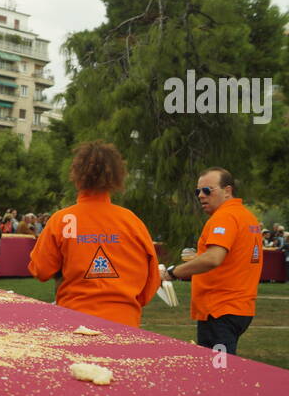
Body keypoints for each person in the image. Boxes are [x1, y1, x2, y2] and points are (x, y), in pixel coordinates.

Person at [27, 142, 159, 328]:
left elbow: (40, 270)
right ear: (117, 175)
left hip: (75, 322)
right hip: (125, 322)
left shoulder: (63, 220)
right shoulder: (132, 222)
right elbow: (151, 280)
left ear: (76, 174)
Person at [162, 167, 262, 355]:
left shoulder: (224, 216)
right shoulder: (247, 217)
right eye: (197, 191)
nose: (201, 195)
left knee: (217, 373)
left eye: (207, 190)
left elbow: (214, 258)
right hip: (238, 307)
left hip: (219, 310)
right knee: (219, 369)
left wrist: (172, 272)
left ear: (227, 191)